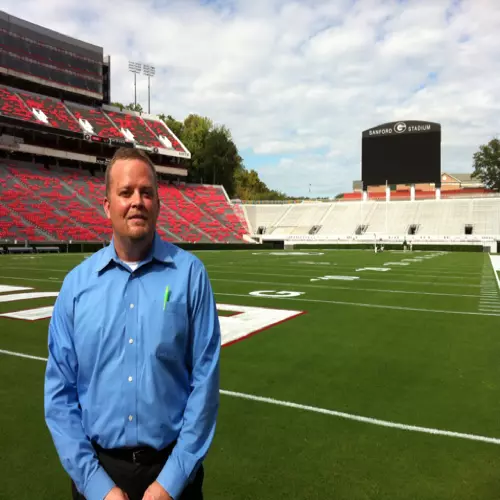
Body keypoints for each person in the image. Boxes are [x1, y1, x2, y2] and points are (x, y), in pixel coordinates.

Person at [44, 147, 221, 500]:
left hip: (173, 474)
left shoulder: (190, 277)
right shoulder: (76, 287)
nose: (137, 201)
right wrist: (97, 486)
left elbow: (205, 385)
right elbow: (59, 396)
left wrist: (170, 483)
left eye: (146, 192)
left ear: (157, 202)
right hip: (98, 473)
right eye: (125, 193)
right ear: (107, 205)